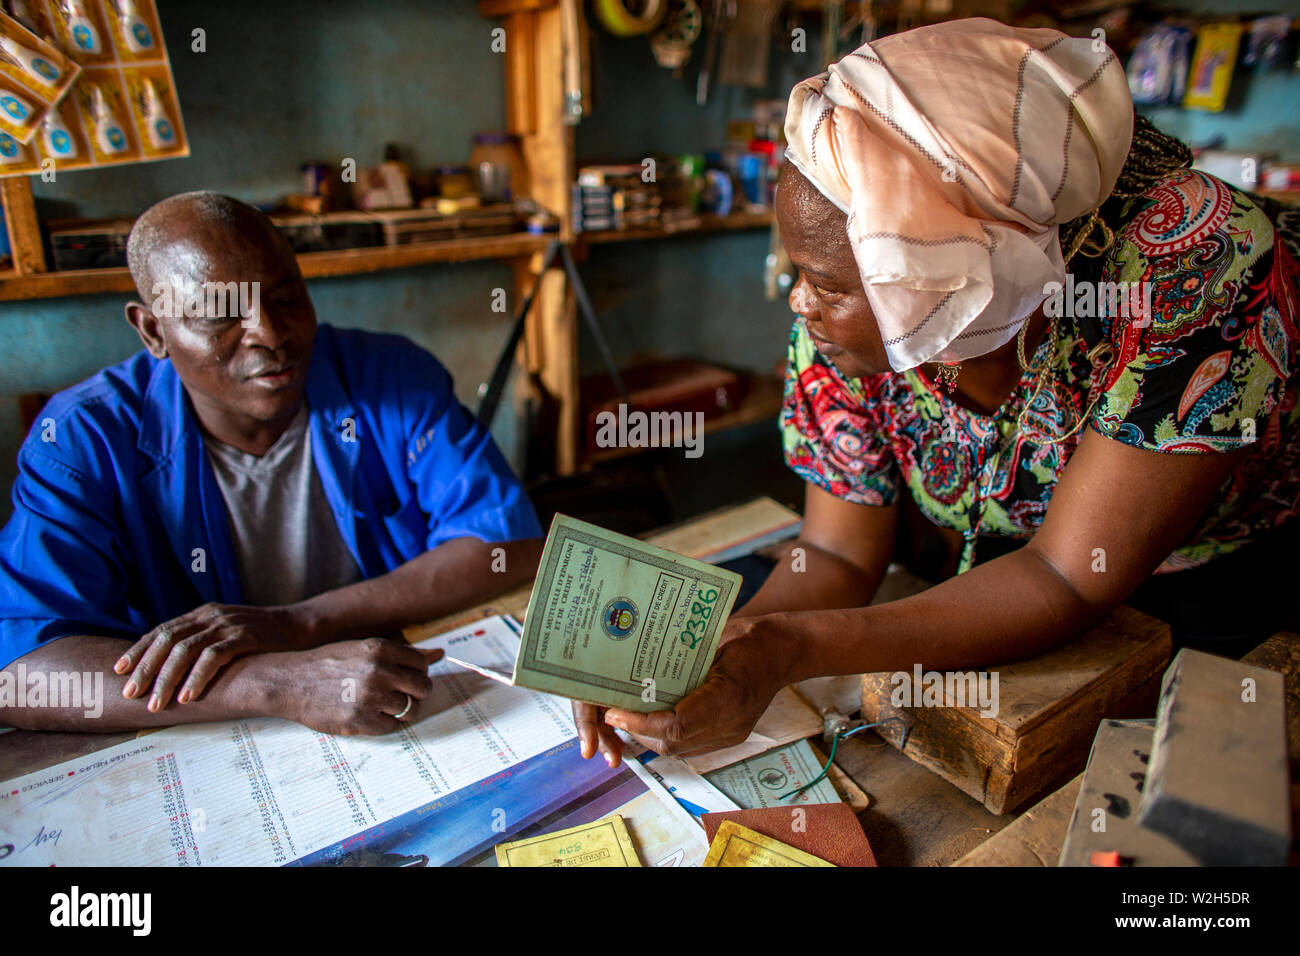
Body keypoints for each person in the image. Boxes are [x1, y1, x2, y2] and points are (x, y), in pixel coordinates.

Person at [574, 18, 1300, 766]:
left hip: (1226, 565)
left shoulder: (1191, 264)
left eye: (825, 284)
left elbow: (1065, 575)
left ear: (948, 278)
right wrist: (708, 658)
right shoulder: (840, 322)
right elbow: (835, 552)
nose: (798, 303)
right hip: (1021, 575)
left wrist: (789, 648)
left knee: (1206, 783)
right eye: (799, 274)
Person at [0, 192, 544, 735]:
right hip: (208, 740)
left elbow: (506, 547)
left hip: (386, 701)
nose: (272, 334)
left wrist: (297, 623)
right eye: (221, 313)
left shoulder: (390, 377)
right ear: (153, 331)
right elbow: (22, 676)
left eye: (286, 298)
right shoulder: (82, 438)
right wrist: (273, 682)